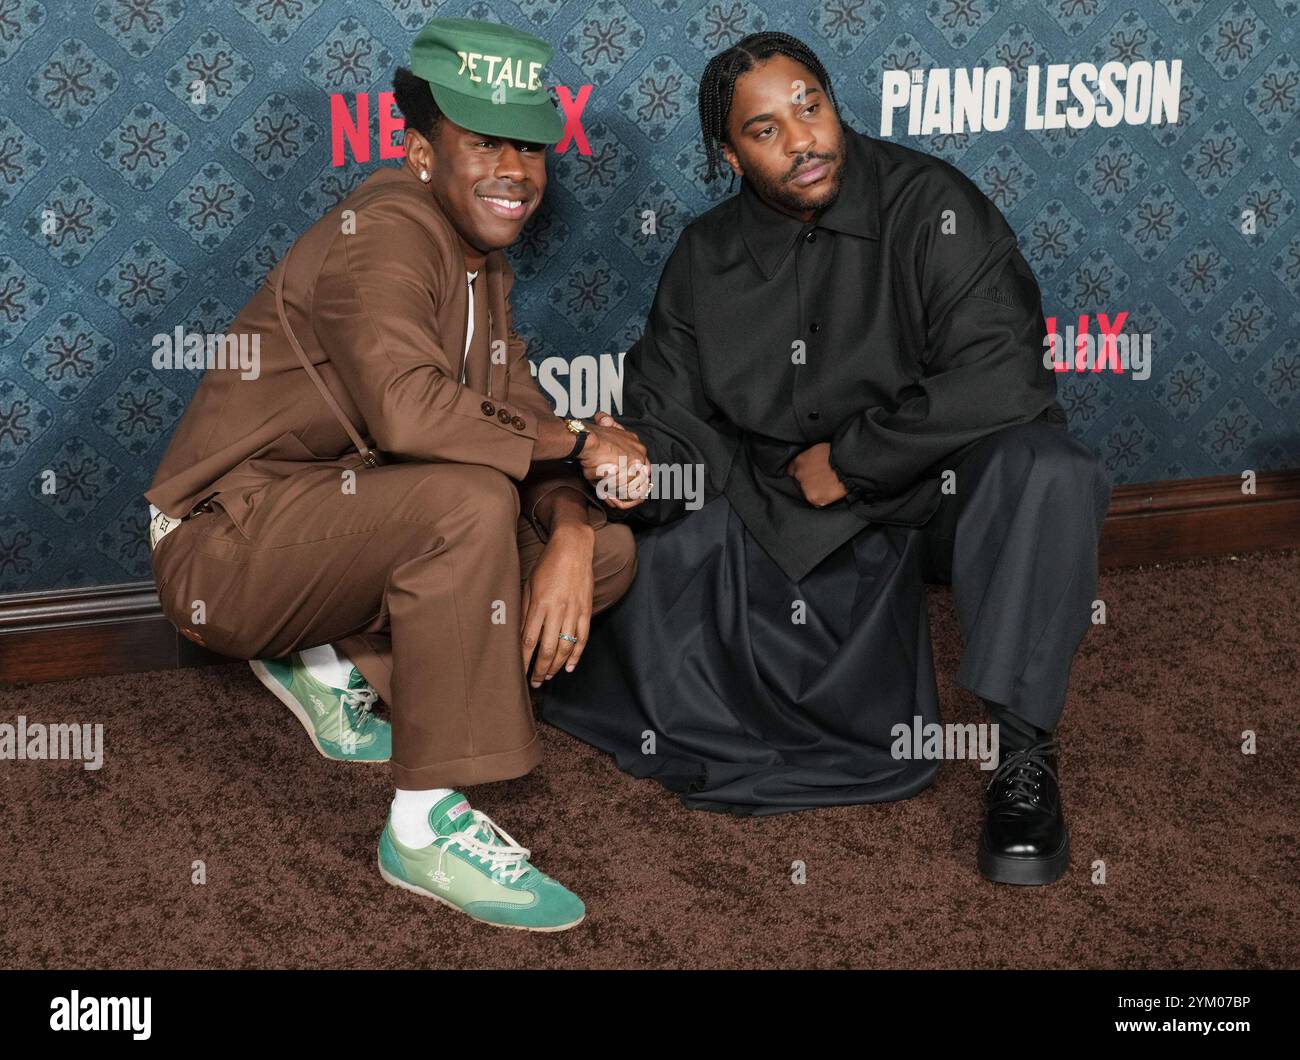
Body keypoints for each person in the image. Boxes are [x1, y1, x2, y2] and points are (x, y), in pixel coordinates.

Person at [543, 32, 1113, 885]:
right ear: (729, 155)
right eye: (765, 129)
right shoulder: (704, 256)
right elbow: (668, 415)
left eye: (810, 106)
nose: (802, 139)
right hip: (782, 495)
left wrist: (855, 458)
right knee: (660, 568)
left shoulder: (935, 205)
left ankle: (1024, 752)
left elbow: (1006, 371)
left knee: (1049, 469)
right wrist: (628, 468)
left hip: (939, 485)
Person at [145, 17, 649, 930]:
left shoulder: (477, 261)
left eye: (531, 146)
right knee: (465, 501)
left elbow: (520, 422)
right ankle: (423, 829)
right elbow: (414, 414)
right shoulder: (382, 231)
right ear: (421, 152)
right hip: (221, 546)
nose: (517, 170)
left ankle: (320, 656)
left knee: (603, 556)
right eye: (485, 142)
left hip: (330, 526)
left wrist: (573, 531)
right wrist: (580, 438)